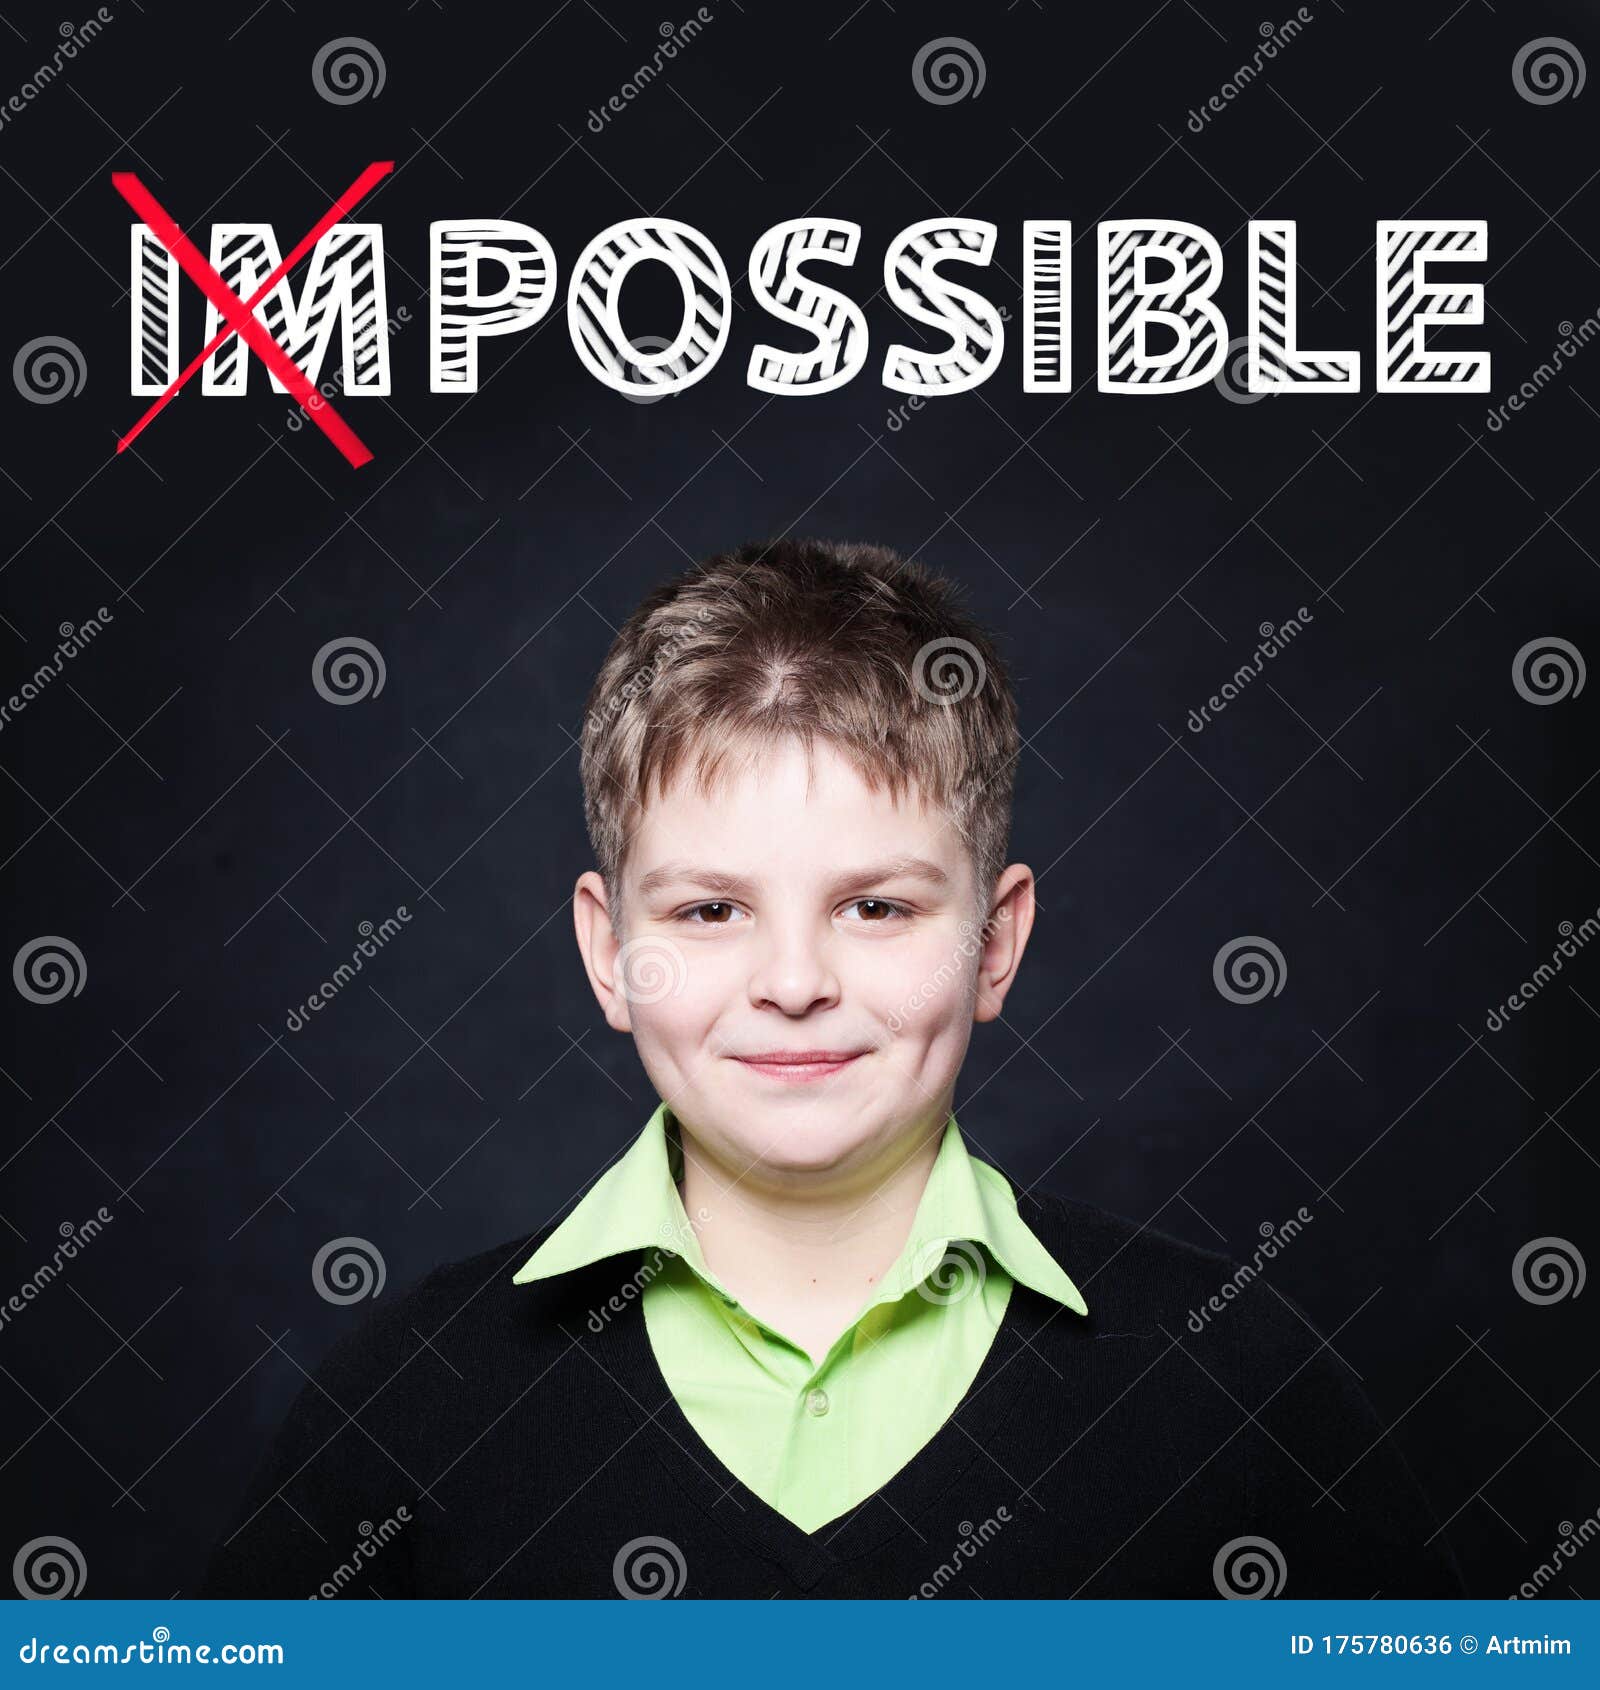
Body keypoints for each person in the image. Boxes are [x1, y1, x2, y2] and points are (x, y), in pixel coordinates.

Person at [200, 538, 1465, 1599]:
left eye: (875, 907)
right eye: (708, 912)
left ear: (995, 942)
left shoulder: (1234, 1389)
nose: (792, 980)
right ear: (607, 949)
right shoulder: (406, 1410)